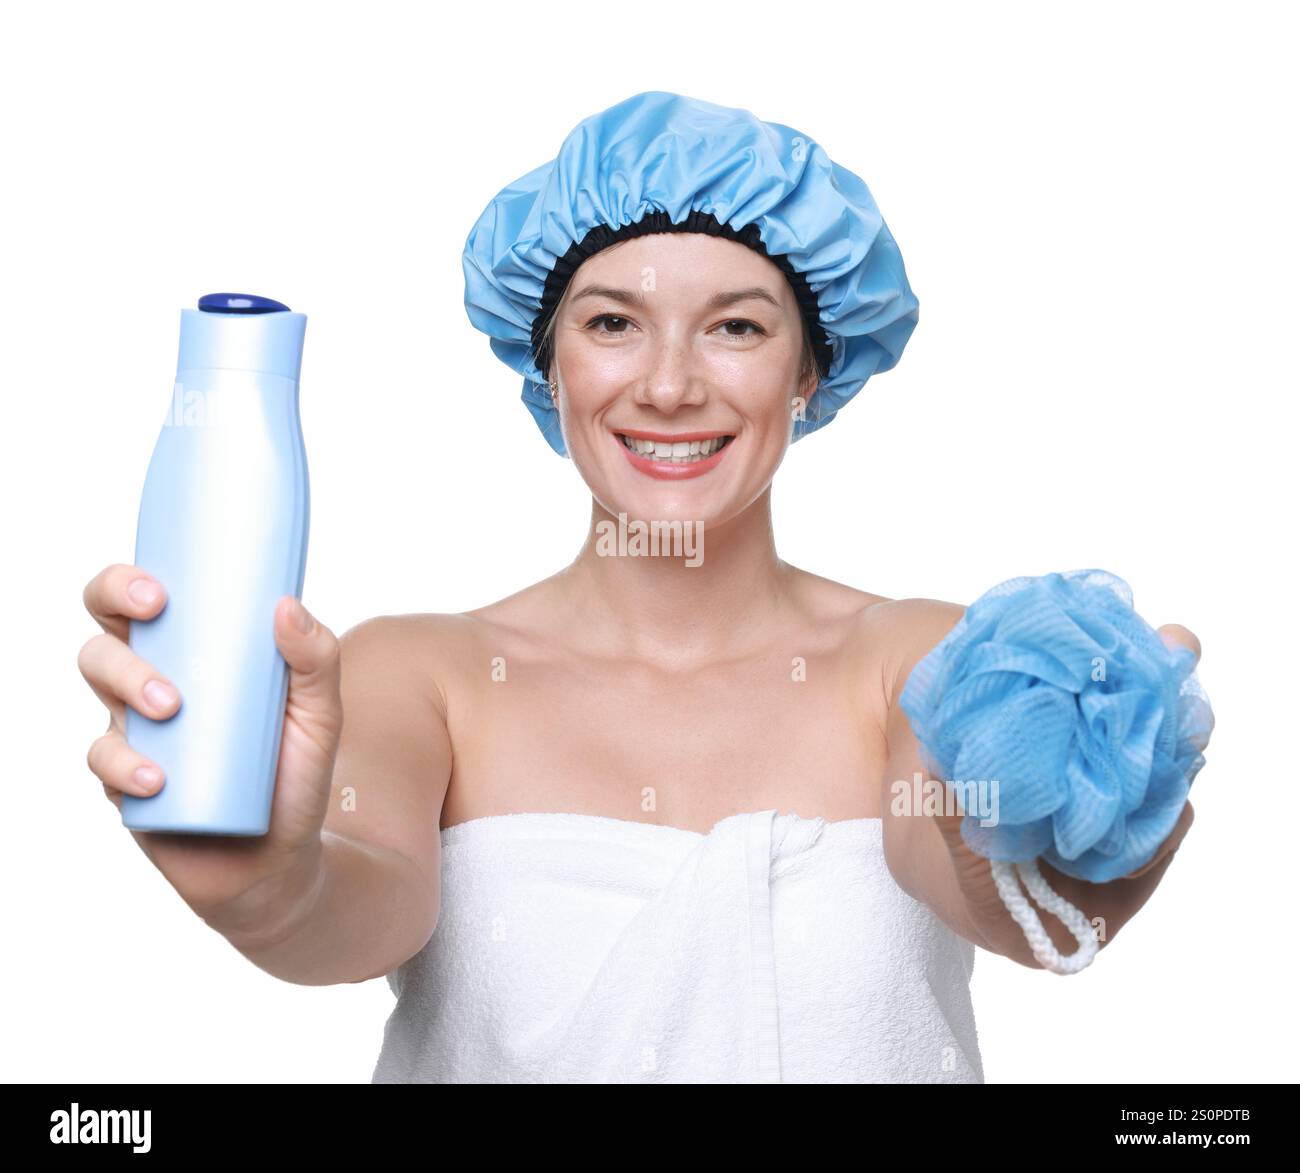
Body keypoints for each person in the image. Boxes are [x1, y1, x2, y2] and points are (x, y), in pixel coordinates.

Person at [77, 92, 1201, 1083]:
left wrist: (1084, 824)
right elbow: (356, 907)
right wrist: (263, 883)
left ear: (811, 371)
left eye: (737, 328)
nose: (668, 385)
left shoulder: (912, 662)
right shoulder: (421, 675)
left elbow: (991, 893)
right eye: (613, 322)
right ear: (547, 362)